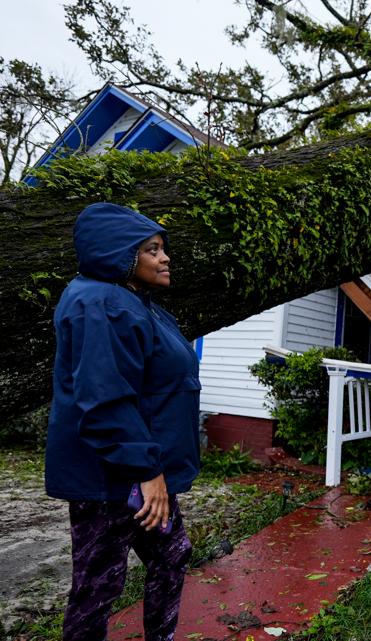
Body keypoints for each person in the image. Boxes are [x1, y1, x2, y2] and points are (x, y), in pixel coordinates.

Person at [45, 202, 202, 641]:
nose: (165, 257)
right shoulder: (101, 303)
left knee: (172, 554)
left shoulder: (133, 301)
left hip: (141, 471)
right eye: (151, 250)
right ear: (119, 254)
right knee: (99, 585)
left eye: (162, 248)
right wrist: (147, 472)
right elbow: (105, 400)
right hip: (112, 477)